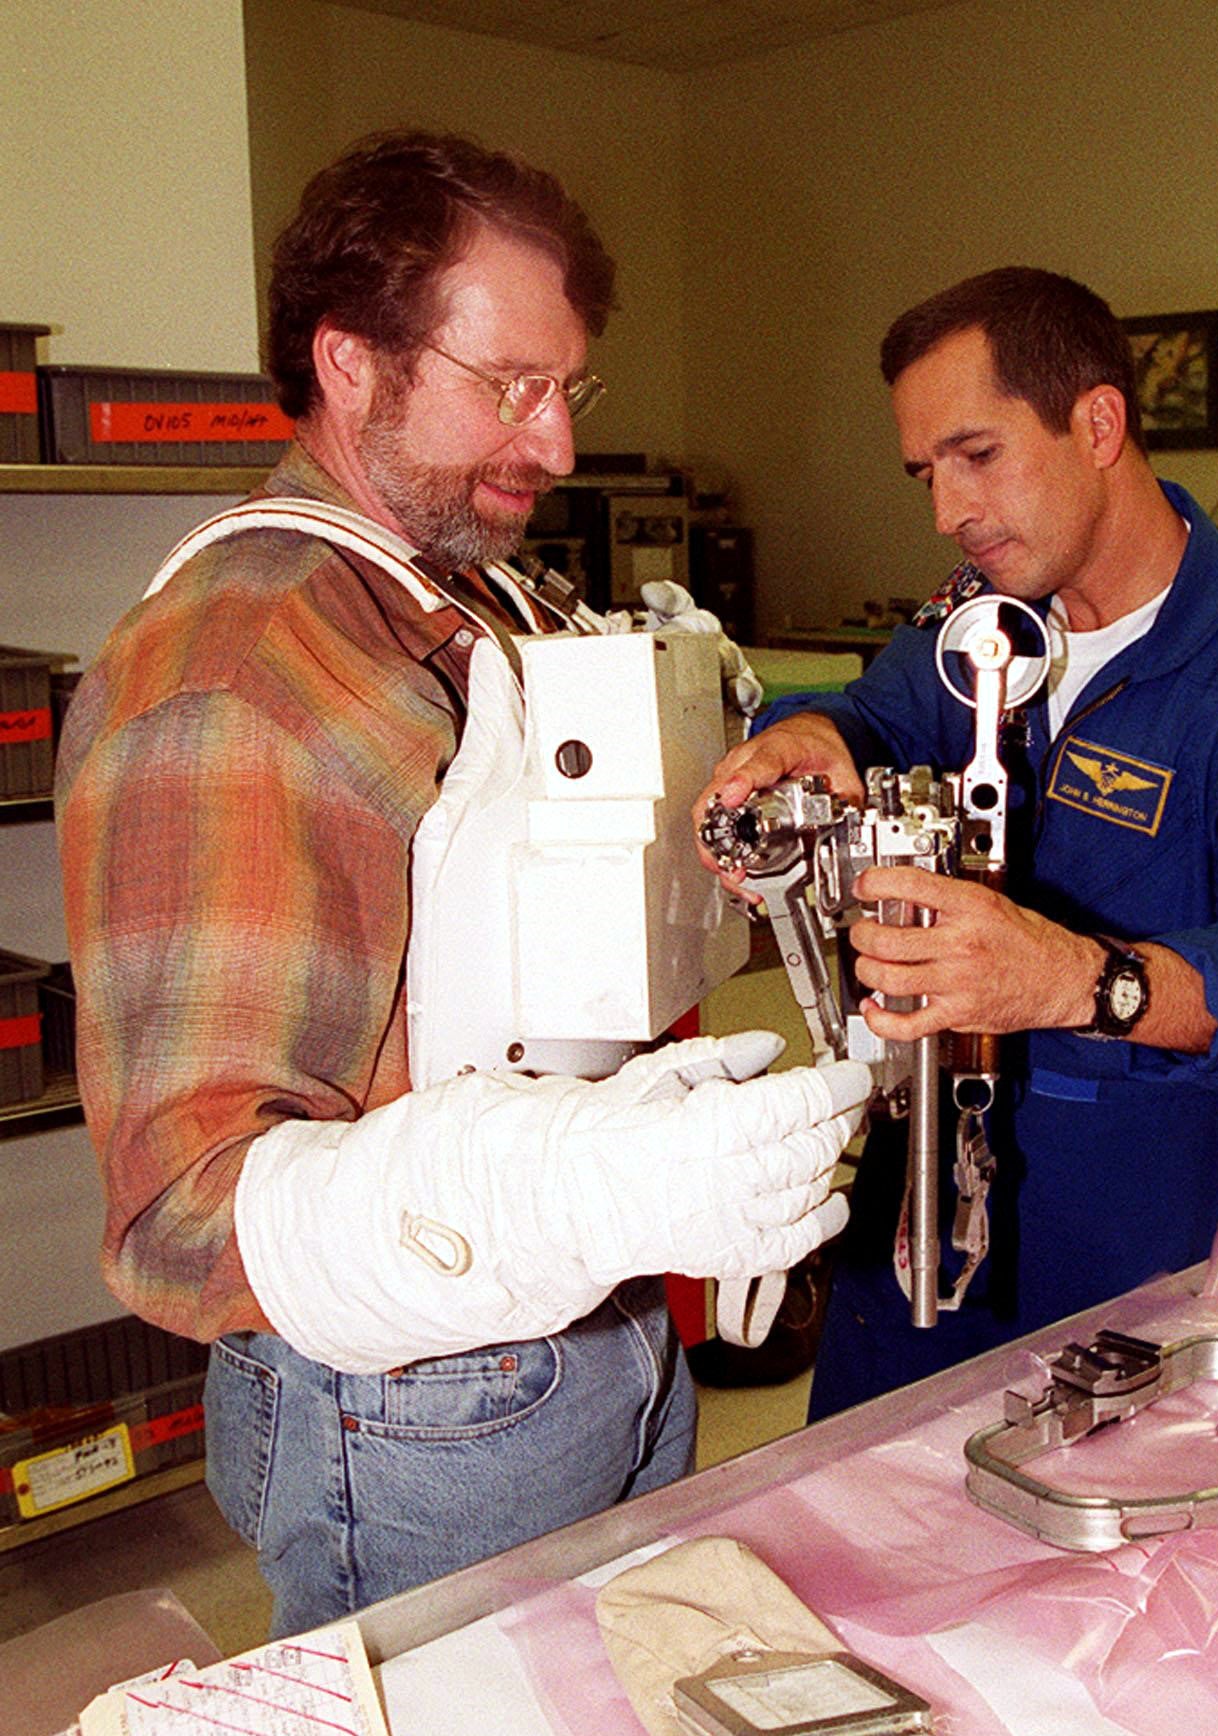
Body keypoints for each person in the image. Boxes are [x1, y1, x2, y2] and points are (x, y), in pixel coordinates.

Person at [54, 131, 865, 1635]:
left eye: (569, 391)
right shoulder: (236, 675)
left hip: (605, 1308)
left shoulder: (469, 596)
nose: (553, 447)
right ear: (350, 363)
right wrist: (572, 1186)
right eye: (510, 386)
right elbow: (186, 1214)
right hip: (418, 1403)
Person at [695, 268, 1218, 1418]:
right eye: (927, 473)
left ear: (1099, 423)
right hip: (902, 1221)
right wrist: (814, 736)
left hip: (1109, 1256)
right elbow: (881, 712)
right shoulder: (983, 615)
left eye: (977, 455)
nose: (947, 509)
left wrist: (1078, 979)